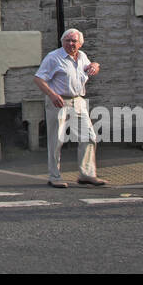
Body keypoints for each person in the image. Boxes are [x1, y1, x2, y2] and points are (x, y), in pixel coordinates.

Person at [33, 28, 107, 188]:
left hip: (78, 100)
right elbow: (38, 78)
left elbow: (90, 67)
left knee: (89, 137)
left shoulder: (82, 57)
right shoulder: (53, 57)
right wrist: (52, 95)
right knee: (56, 140)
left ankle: (87, 175)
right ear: (62, 42)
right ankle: (54, 176)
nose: (70, 43)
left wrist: (95, 65)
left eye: (74, 41)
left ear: (80, 44)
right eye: (67, 40)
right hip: (58, 101)